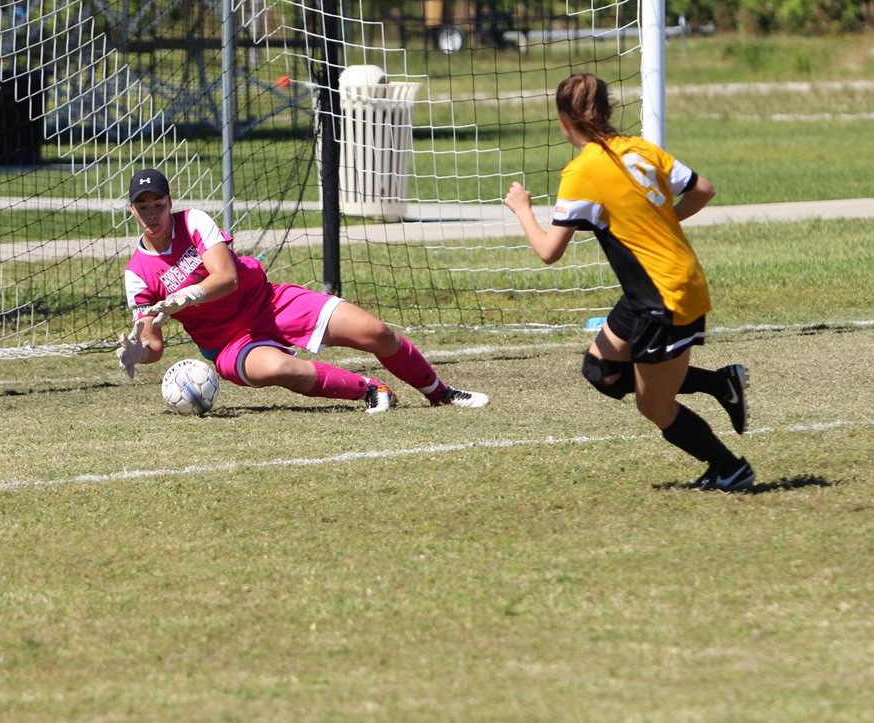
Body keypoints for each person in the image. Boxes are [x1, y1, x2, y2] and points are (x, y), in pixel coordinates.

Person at [502, 73, 753, 491]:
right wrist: (658, 222)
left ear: (564, 119)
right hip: (655, 289)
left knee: (653, 405)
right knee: (601, 370)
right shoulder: (638, 148)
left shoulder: (581, 171)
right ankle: (718, 383)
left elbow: (549, 251)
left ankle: (730, 468)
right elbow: (703, 190)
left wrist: (522, 208)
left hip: (664, 297)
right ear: (607, 109)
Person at [116, 167, 489, 414]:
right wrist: (139, 352)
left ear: (170, 202)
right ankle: (371, 390)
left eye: (158, 205)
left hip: (270, 303)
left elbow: (226, 277)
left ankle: (439, 393)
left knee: (375, 332)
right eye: (143, 207)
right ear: (132, 210)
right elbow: (154, 343)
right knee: (280, 368)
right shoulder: (137, 274)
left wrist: (191, 293)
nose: (152, 214)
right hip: (229, 344)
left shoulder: (193, 221)